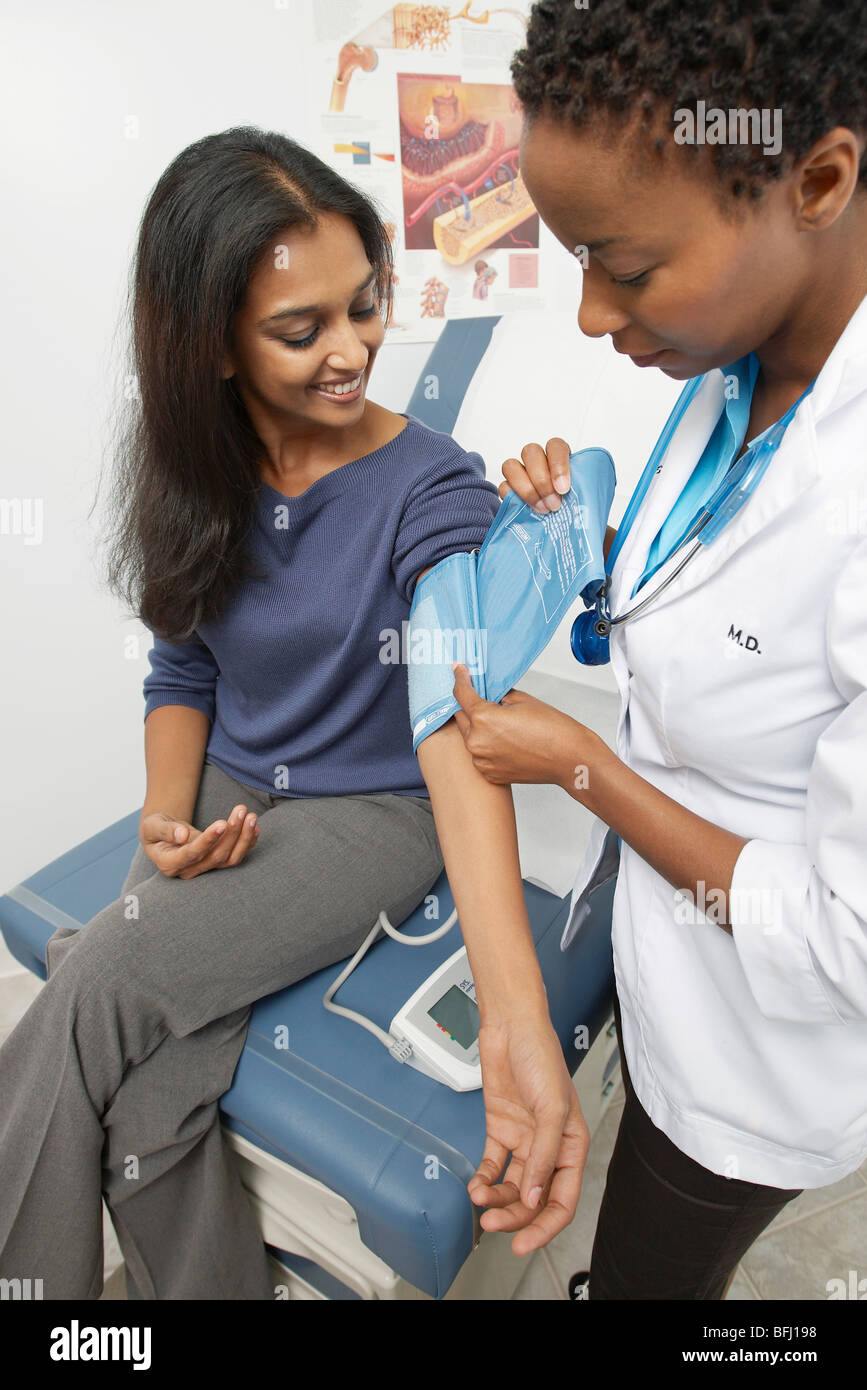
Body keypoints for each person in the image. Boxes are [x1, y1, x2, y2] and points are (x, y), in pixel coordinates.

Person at [412, 0, 867, 1299]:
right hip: (656, 942)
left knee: (651, 1270)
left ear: (817, 179)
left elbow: (841, 941)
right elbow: (708, 604)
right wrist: (595, 532)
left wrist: (579, 766)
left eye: (619, 261)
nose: (586, 314)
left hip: (754, 1062)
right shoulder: (734, 365)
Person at [0, 126, 502, 1299]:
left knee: (95, 984)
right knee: (150, 1102)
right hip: (230, 788)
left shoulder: (433, 485)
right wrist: (163, 826)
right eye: (302, 329)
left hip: (372, 812)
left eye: (365, 307)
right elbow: (182, 675)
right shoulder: (198, 467)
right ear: (213, 346)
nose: (354, 351)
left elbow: (459, 674)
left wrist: (513, 553)